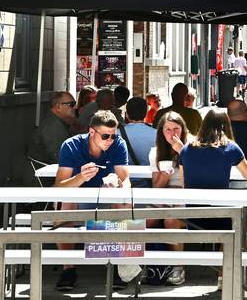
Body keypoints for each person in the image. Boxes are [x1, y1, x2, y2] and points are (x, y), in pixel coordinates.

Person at [177, 109, 247, 289]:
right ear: (226, 126)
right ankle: (245, 260)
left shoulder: (186, 149)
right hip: (220, 216)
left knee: (232, 218)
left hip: (193, 217)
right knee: (236, 218)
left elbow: (185, 183)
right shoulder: (230, 147)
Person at [53, 110, 131, 291]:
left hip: (107, 201)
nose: (109, 140)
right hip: (79, 202)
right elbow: (58, 186)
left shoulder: (118, 144)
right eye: (105, 136)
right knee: (65, 203)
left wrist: (119, 186)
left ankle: (120, 266)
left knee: (125, 204)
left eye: (113, 135)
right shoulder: (71, 146)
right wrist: (81, 177)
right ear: (92, 132)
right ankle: (68, 268)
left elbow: (125, 179)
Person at [148, 111, 189, 286]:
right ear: (161, 132)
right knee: (145, 221)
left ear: (183, 130)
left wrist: (183, 154)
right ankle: (146, 266)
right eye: (167, 129)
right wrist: (165, 175)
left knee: (171, 220)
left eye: (176, 129)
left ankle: (178, 267)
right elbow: (156, 187)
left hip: (187, 195)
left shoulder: (192, 147)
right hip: (163, 193)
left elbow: (193, 182)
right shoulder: (155, 152)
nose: (172, 133)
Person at [29, 91, 86, 165]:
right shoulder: (53, 126)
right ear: (58, 107)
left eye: (75, 103)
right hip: (46, 173)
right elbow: (60, 158)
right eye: (71, 104)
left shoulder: (58, 122)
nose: (75, 107)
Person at [121, 97, 157, 168]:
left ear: (127, 114)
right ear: (146, 114)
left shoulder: (116, 133)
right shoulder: (157, 134)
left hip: (124, 177)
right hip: (150, 177)